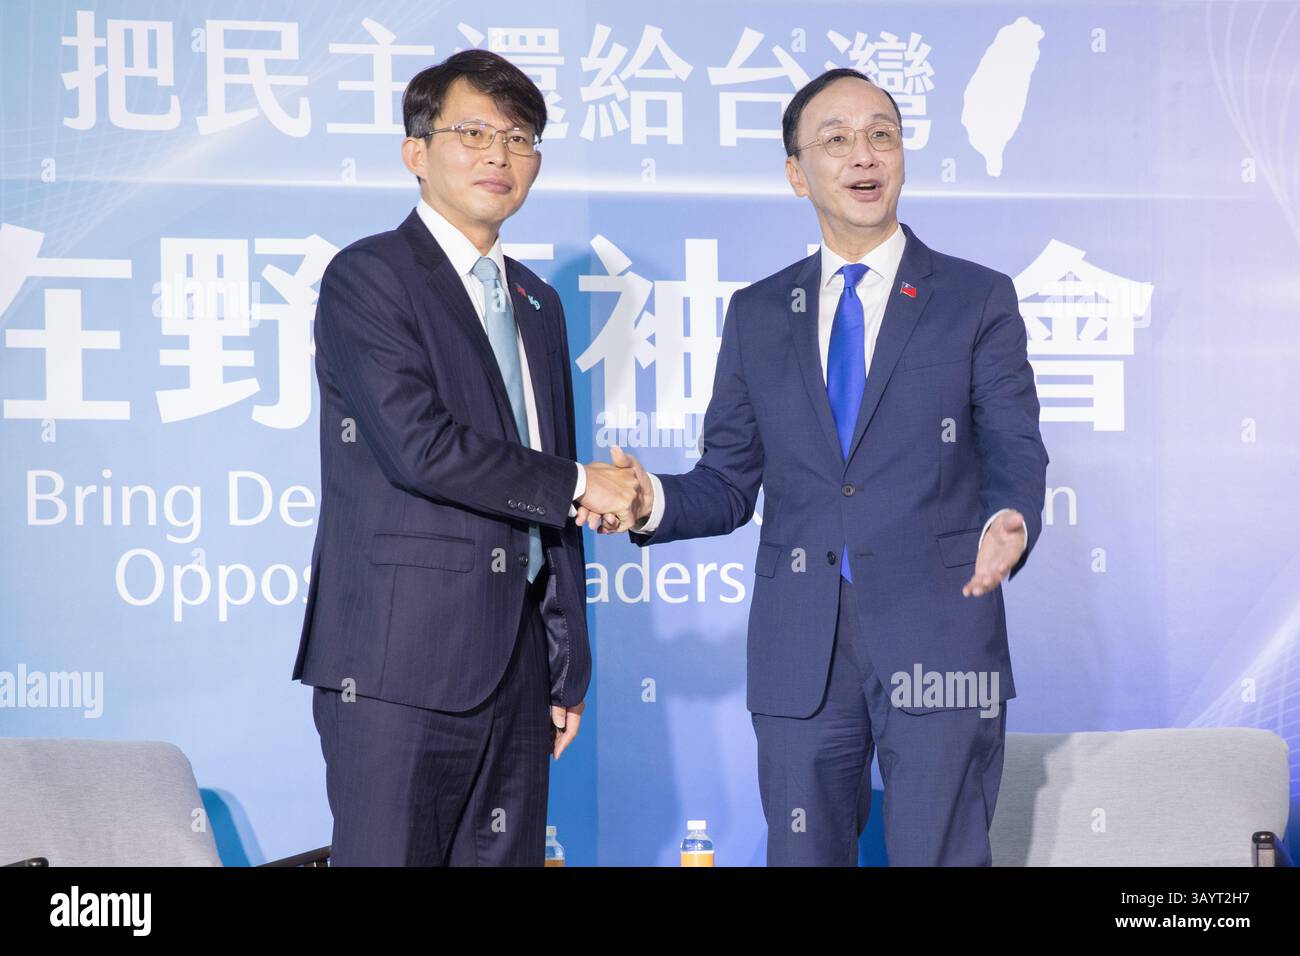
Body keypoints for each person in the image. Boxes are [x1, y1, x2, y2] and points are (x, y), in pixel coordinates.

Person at [580, 68, 1049, 866]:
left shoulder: (976, 298)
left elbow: (1014, 446)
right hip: (802, 645)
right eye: (836, 140)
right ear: (797, 173)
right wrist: (648, 498)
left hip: (940, 633)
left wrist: (1012, 515)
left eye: (882, 135)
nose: (863, 155)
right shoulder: (760, 313)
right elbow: (729, 481)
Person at [293, 50, 644, 866]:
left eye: (519, 137)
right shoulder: (369, 277)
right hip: (397, 666)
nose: (499, 153)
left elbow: (543, 492)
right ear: (416, 152)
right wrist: (583, 482)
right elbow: (421, 449)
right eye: (474, 131)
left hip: (517, 673)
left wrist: (565, 662)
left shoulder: (538, 302)